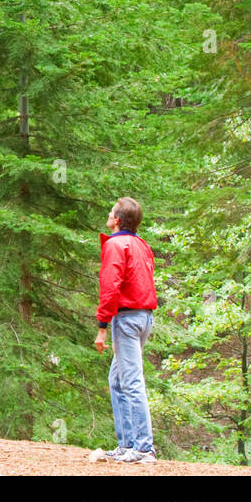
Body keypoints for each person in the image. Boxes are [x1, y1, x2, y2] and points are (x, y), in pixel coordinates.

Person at [94, 197, 158, 464]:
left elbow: (110, 286)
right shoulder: (141, 245)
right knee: (117, 380)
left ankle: (143, 448)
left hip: (128, 319)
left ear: (117, 220)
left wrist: (102, 327)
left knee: (131, 381)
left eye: (111, 213)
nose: (108, 216)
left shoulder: (115, 244)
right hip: (144, 318)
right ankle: (127, 444)